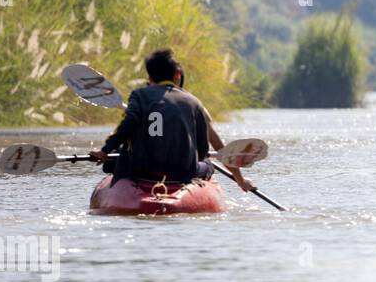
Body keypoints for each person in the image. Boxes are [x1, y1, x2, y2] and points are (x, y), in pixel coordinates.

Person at [89, 48, 254, 192]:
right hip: (181, 173)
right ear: (177, 75)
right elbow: (204, 151)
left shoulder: (139, 95)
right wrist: (240, 180)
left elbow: (128, 124)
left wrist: (105, 151)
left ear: (150, 78)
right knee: (207, 165)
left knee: (110, 163)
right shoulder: (195, 103)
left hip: (141, 170)